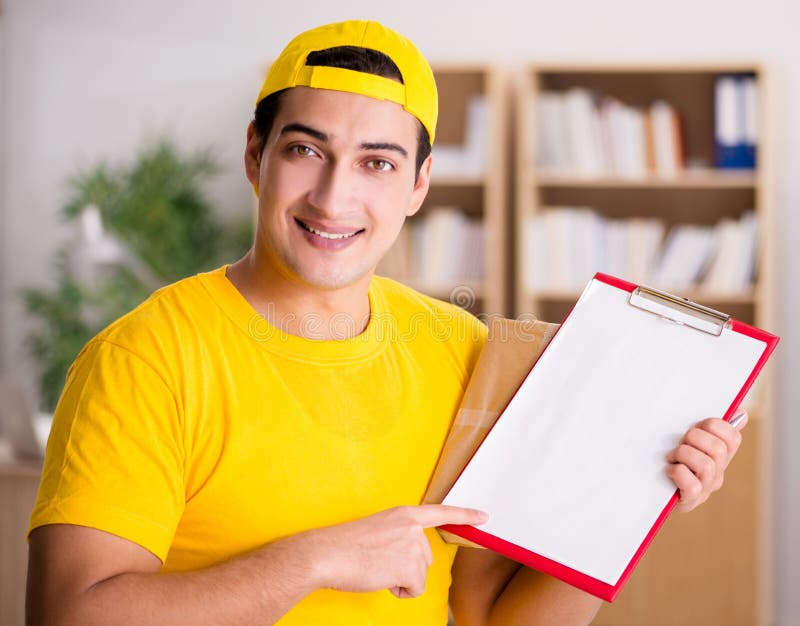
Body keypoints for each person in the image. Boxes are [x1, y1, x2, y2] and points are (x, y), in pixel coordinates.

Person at [26, 20, 747, 626]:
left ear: (418, 186)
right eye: (307, 150)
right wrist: (316, 559)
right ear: (256, 154)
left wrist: (636, 498)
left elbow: (485, 615)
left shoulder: (465, 352)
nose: (335, 198)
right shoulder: (146, 357)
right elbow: (70, 614)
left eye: (377, 162)